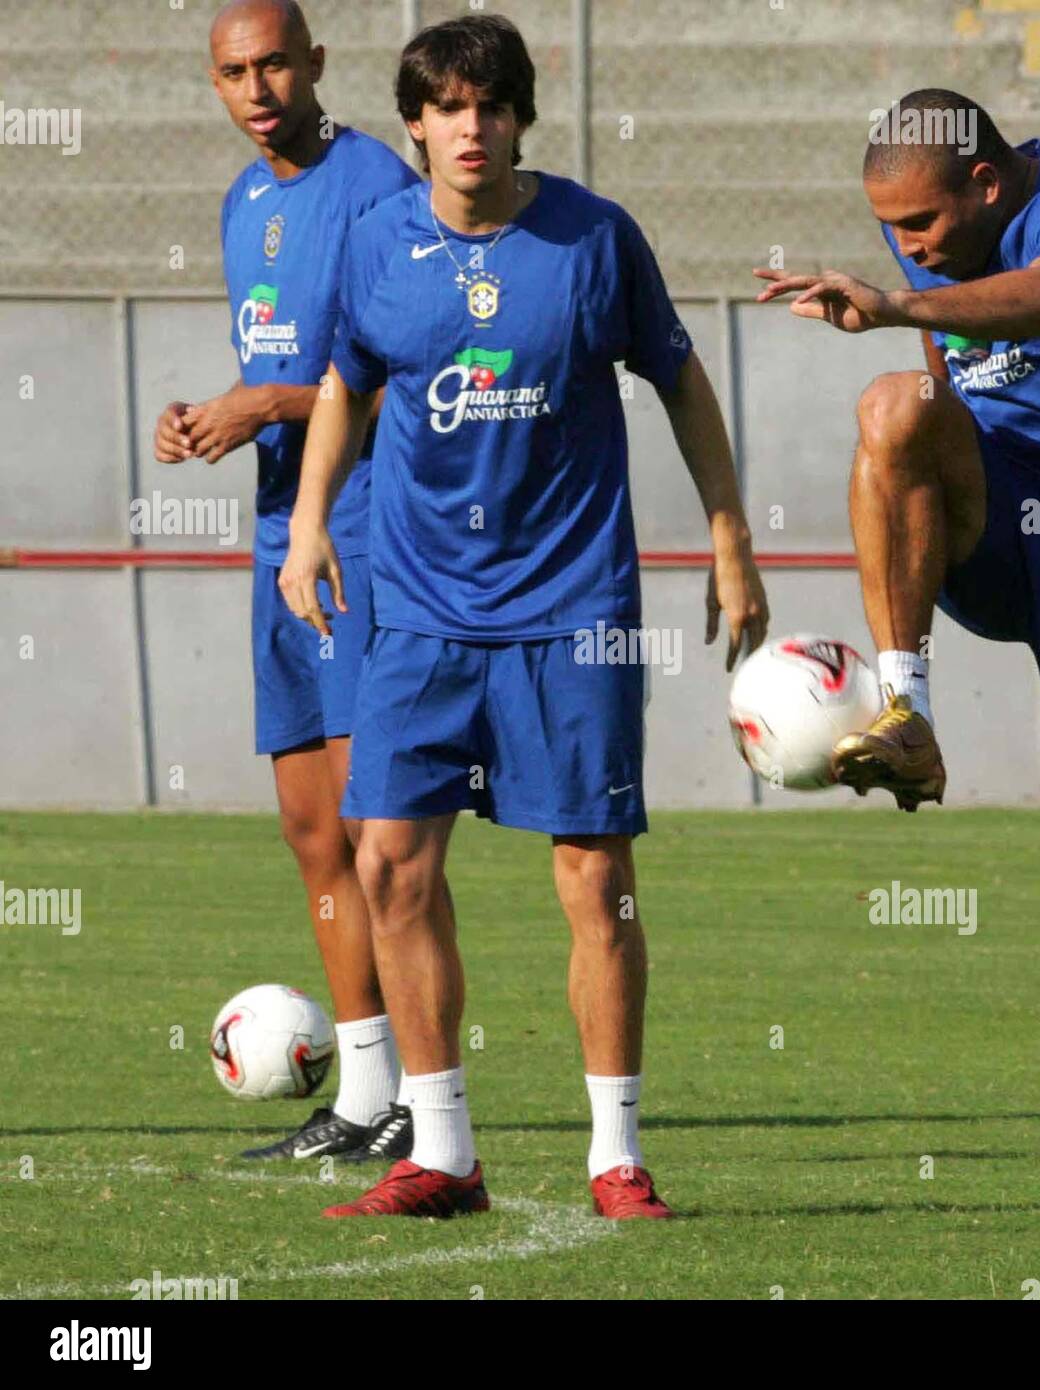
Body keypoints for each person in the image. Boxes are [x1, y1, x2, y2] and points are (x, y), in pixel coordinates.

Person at [280, 14, 768, 1219]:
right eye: (447, 108)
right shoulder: (376, 240)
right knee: (387, 862)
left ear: (518, 120)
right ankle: (441, 1152)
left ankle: (616, 1157)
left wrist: (727, 533)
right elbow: (345, 381)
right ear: (415, 125)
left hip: (570, 608)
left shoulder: (595, 239)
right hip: (420, 614)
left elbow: (679, 376)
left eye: (491, 106)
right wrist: (305, 526)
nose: (470, 127)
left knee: (595, 881)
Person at [755, 88, 1040, 1291]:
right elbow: (937, 412)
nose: (905, 246)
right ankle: (906, 709)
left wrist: (905, 295)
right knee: (893, 405)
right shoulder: (939, 266)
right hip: (1002, 534)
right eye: (888, 232)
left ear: (987, 185)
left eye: (919, 223)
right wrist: (909, 316)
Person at [153, 0, 420, 1163]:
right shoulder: (242, 201)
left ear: (316, 64)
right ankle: (363, 1099)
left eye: (274, 65)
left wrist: (267, 403)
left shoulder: (373, 184)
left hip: (364, 534)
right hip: (277, 535)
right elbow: (274, 360)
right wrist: (213, 415)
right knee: (313, 834)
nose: (256, 88)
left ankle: (421, 1090)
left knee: (376, 830)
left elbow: (406, 371)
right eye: (232, 72)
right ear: (212, 84)